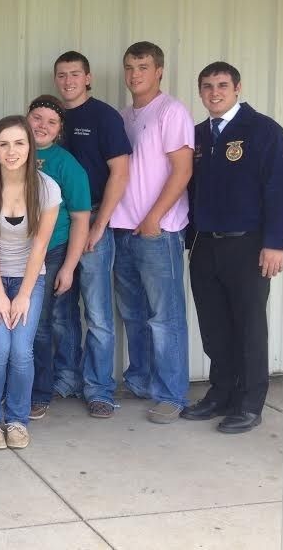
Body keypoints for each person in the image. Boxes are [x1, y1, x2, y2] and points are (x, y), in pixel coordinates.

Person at [183, 61, 283, 434]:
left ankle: (249, 402)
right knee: (214, 326)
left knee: (248, 325)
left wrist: (276, 244)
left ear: (237, 88)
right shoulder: (197, 135)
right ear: (200, 92)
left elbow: (279, 190)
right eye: (207, 86)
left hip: (248, 246)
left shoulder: (263, 131)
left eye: (222, 85)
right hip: (204, 245)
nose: (215, 92)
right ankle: (221, 393)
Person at [0, 96, 92, 419]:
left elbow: (81, 218)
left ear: (59, 132)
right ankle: (0, 391)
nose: (42, 126)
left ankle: (37, 392)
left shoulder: (66, 166)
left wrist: (69, 266)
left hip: (49, 251)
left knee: (38, 325)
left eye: (51, 122)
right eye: (36, 119)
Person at [112, 41, 194, 424]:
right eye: (129, 67)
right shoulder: (125, 115)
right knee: (133, 313)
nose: (135, 74)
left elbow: (183, 170)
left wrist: (154, 218)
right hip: (123, 228)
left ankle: (171, 394)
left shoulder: (171, 112)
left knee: (165, 316)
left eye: (143, 66)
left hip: (157, 231)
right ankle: (141, 380)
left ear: (159, 70)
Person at [0, 116, 61, 449]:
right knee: (0, 349)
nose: (12, 151)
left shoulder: (47, 188)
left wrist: (23, 294)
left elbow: (40, 246)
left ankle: (18, 421)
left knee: (22, 351)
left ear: (30, 147)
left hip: (29, 278)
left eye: (19, 143)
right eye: (4, 144)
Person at [51, 51, 131, 418]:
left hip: (95, 221)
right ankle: (66, 377)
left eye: (74, 74)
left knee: (97, 313)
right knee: (60, 309)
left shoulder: (104, 117)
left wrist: (99, 226)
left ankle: (99, 389)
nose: (68, 81)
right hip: (57, 225)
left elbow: (120, 172)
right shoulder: (51, 118)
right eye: (62, 75)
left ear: (88, 78)